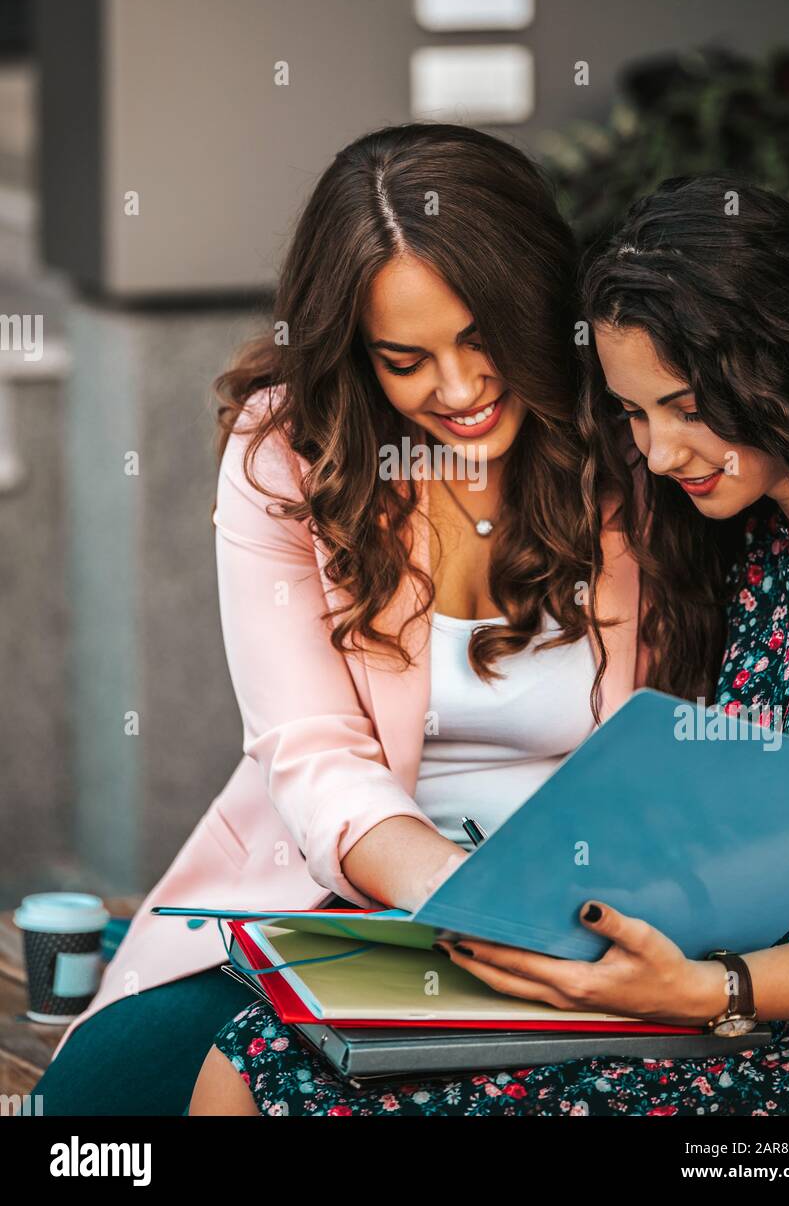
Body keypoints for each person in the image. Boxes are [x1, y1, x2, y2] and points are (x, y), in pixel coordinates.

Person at [192, 175, 789, 1116]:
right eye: (635, 414)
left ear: (781, 362)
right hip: (668, 958)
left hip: (761, 1002)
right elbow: (313, 750)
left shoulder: (714, 508)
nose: (661, 455)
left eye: (683, 406)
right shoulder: (746, 529)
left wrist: (715, 989)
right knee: (257, 1056)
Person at [32, 122, 646, 1116]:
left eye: (482, 338)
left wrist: (558, 913)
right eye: (406, 358)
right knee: (90, 1114)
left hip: (594, 915)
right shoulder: (288, 452)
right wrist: (463, 898)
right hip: (341, 906)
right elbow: (312, 754)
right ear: (353, 351)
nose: (458, 390)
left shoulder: (629, 438)